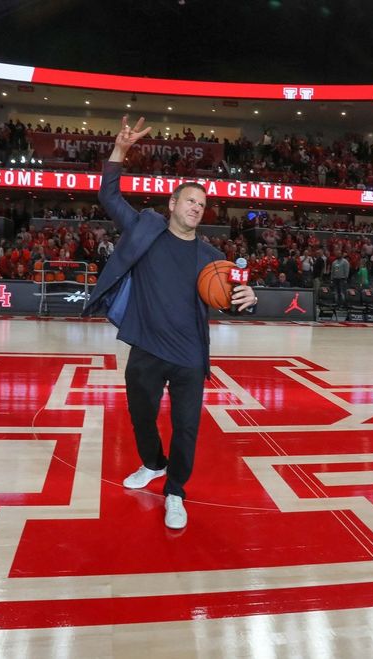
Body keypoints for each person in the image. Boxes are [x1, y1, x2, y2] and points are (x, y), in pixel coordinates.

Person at [82, 116, 257, 530]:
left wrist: (250, 300)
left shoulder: (212, 258)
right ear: (172, 204)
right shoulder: (147, 229)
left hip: (189, 357)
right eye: (190, 201)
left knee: (187, 427)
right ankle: (152, 463)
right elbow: (109, 197)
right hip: (145, 345)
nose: (197, 207)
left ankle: (175, 490)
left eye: (202, 204)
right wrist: (119, 151)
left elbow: (234, 298)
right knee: (141, 416)